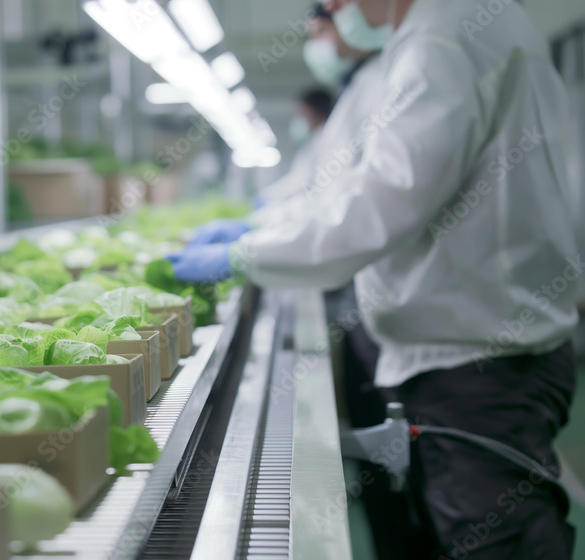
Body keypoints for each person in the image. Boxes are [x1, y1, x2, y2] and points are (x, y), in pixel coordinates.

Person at [171, 0, 580, 558]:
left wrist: (246, 253)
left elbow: (382, 202)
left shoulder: (444, 33)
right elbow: (355, 184)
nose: (333, 12)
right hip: (470, 346)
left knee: (498, 543)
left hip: (478, 360)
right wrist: (259, 233)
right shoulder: (447, 27)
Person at [254, 88, 333, 206]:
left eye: (302, 112)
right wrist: (268, 195)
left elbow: (302, 184)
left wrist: (268, 197)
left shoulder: (327, 142)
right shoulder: (313, 144)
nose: (300, 118)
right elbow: (296, 181)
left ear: (315, 112)